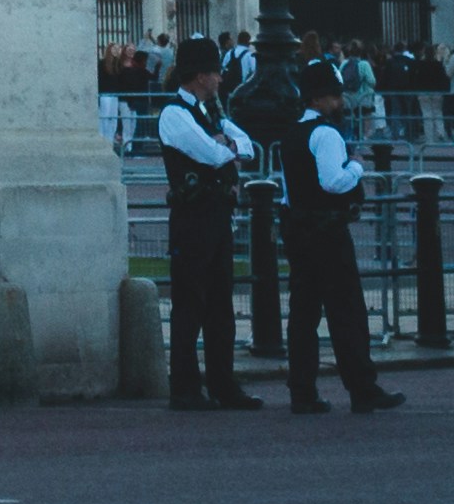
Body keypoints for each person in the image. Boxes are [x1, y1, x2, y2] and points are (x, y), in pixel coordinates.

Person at [270, 44, 402, 416]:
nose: (340, 101)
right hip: (327, 232)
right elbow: (333, 182)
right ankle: (362, 387)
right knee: (346, 313)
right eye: (335, 95)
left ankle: (303, 391)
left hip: (299, 232)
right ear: (320, 98)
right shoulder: (326, 134)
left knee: (303, 315)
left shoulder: (291, 135)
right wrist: (358, 167)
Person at [156, 38, 265, 411]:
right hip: (192, 218)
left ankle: (223, 383)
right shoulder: (174, 114)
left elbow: (247, 147)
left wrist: (227, 147)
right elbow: (212, 154)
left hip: (217, 217)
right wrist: (226, 149)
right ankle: (184, 387)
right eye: (216, 72)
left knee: (221, 305)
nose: (221, 78)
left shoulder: (210, 113)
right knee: (190, 305)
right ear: (200, 76)